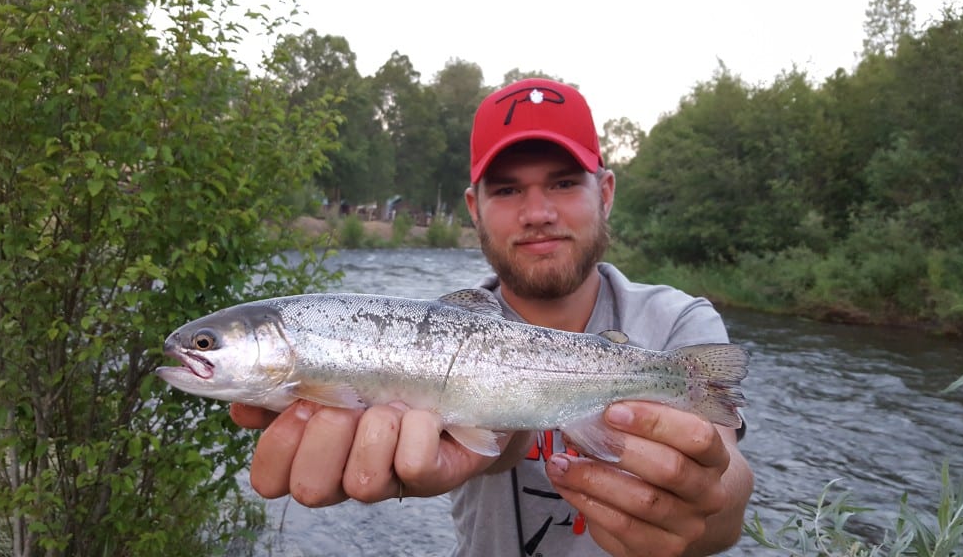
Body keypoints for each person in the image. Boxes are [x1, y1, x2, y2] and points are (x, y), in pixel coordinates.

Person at [230, 77, 754, 557]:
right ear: (473, 207)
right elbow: (494, 446)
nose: (537, 212)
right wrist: (490, 441)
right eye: (506, 189)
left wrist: (708, 505)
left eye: (564, 183)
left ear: (607, 193)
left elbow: (728, 489)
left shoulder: (677, 320)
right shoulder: (423, 335)